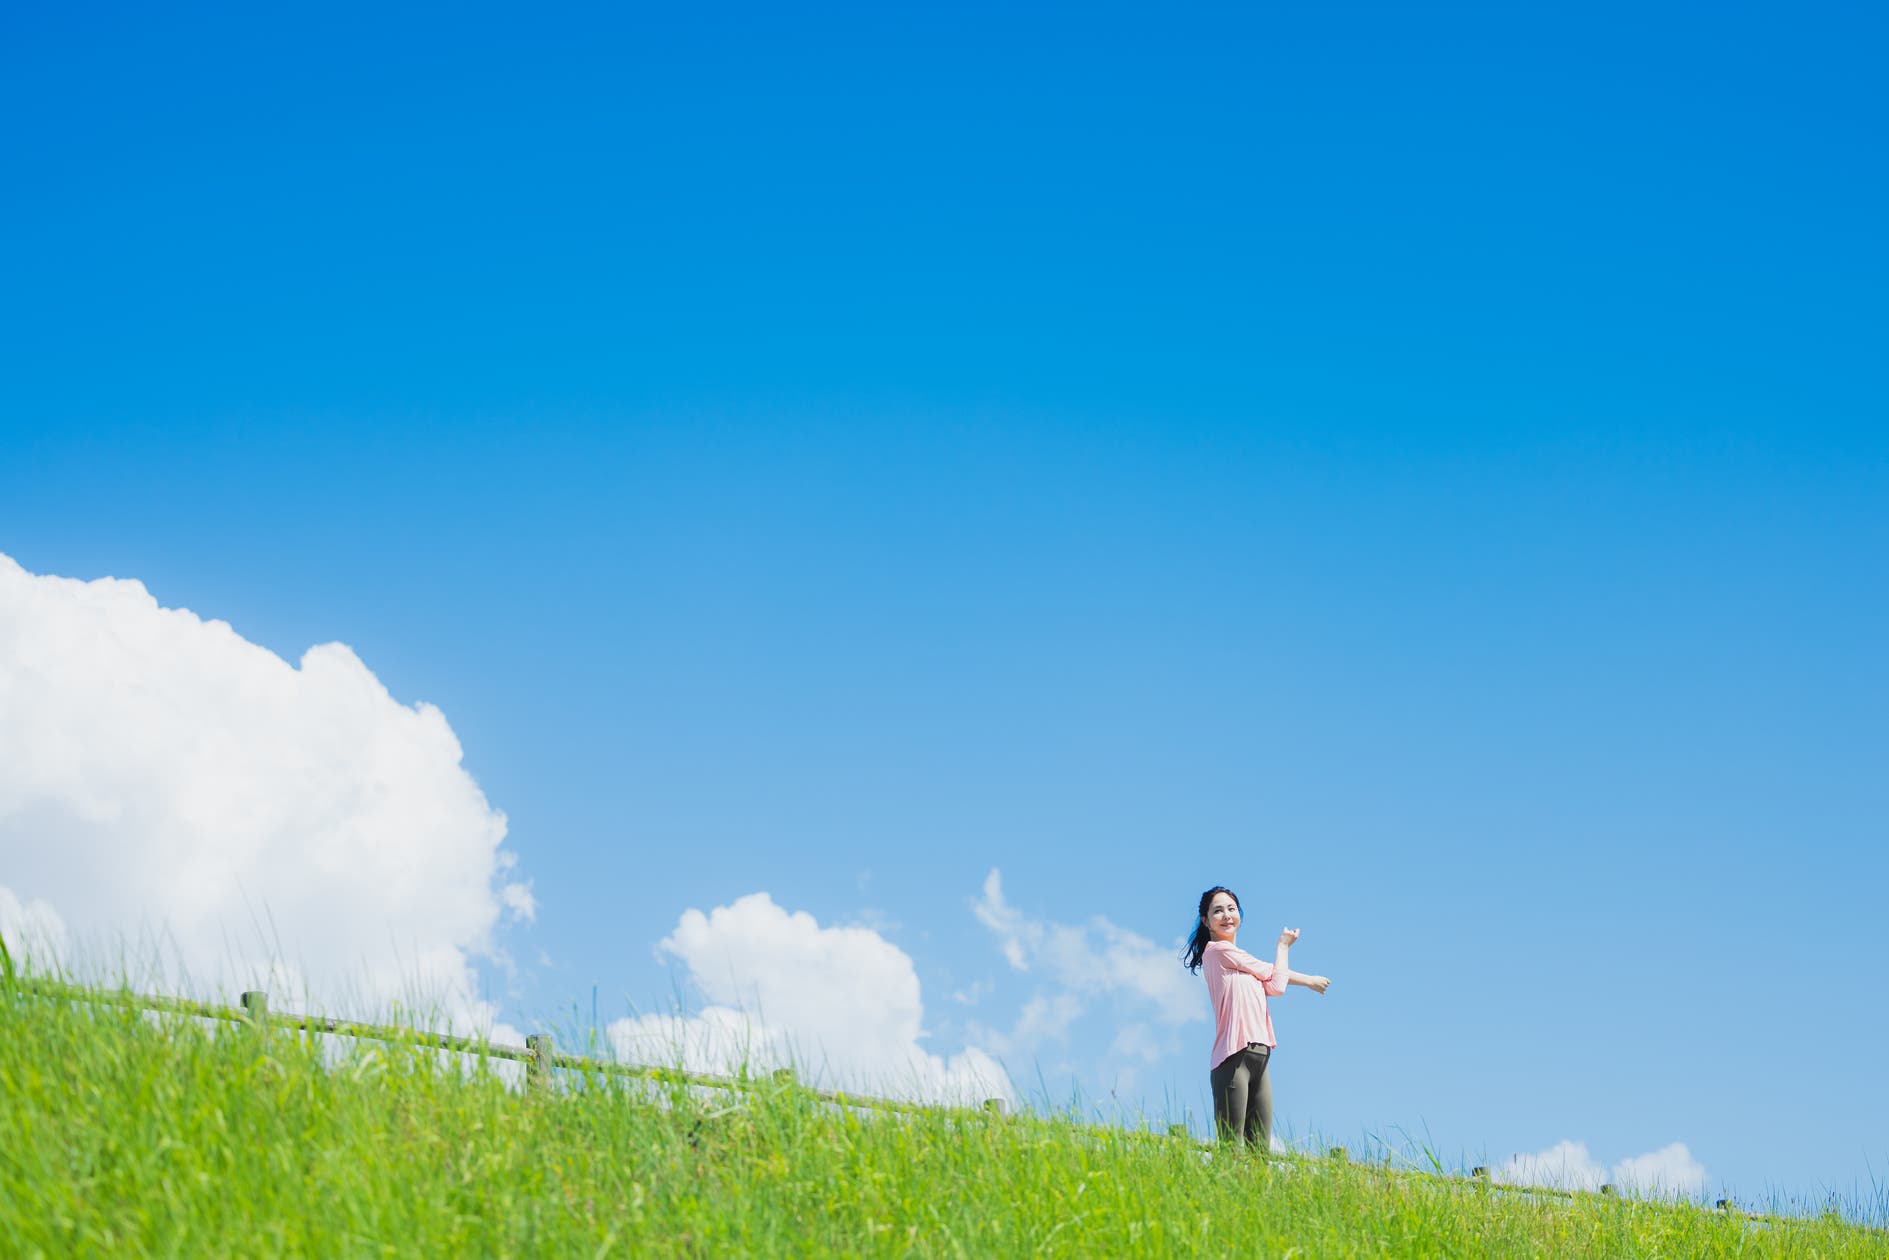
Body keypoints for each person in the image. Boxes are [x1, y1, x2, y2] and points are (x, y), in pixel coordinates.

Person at [1182, 885, 1330, 1151]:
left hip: (1261, 1058)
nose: (1226, 915)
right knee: (1230, 1149)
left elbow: (1274, 984)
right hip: (1232, 1058)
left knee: (1260, 1152)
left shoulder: (1246, 970)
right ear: (1206, 921)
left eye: (1231, 909)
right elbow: (1278, 980)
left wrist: (1308, 981)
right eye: (1218, 911)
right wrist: (1284, 948)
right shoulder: (1217, 952)